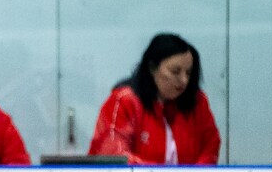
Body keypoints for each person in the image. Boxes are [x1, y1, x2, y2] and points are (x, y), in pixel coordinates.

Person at [87, 33, 221, 165]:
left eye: (188, 73)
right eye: (175, 71)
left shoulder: (197, 101)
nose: (184, 80)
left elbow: (211, 144)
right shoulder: (124, 100)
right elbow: (113, 155)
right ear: (152, 68)